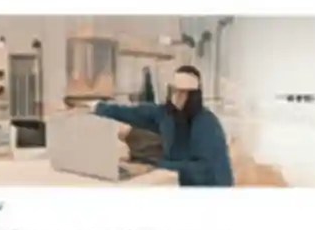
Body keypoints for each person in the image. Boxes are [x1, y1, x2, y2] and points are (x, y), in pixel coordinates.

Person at [86, 66, 235, 187]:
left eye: (183, 92)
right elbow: (135, 113)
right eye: (175, 90)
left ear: (194, 95)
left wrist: (160, 165)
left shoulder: (207, 124)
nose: (177, 96)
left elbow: (204, 170)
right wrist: (98, 107)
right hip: (179, 183)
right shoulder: (167, 114)